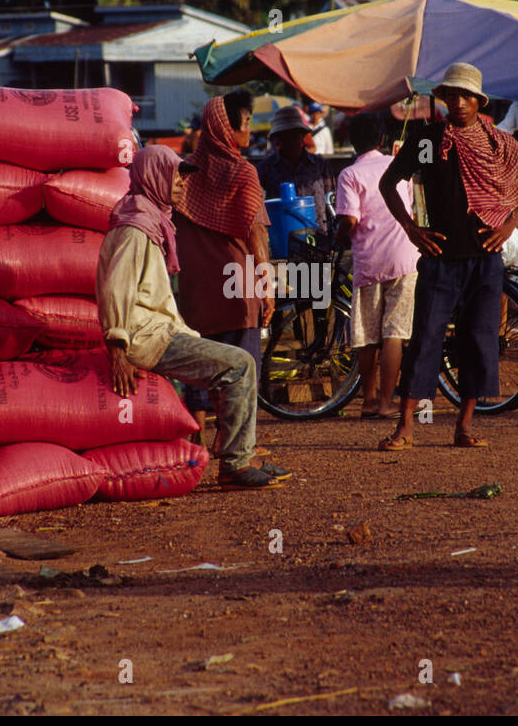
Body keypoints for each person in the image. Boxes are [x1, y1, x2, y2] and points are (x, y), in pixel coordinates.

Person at [97, 145, 288, 489]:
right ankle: (236, 463)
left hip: (161, 330)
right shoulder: (135, 228)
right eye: (176, 175)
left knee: (230, 366)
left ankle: (243, 454)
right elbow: (116, 288)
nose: (182, 183)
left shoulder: (151, 220)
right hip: (146, 337)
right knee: (240, 365)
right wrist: (117, 347)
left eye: (183, 175)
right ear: (154, 176)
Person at [377, 62, 518, 450]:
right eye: (452, 95)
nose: (459, 102)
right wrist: (411, 229)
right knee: (425, 339)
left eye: (467, 96)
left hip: (485, 260)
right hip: (441, 258)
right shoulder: (429, 140)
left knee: (480, 339)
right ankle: (405, 428)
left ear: (478, 101)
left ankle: (464, 426)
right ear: (444, 99)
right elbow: (388, 182)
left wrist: (509, 225)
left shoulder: (500, 144)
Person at [174, 90, 277, 464]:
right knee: (242, 361)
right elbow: (256, 234)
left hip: (197, 288)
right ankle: (231, 442)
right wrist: (266, 286)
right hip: (238, 283)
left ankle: (196, 438)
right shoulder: (243, 171)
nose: (249, 128)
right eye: (246, 121)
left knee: (200, 361)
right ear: (227, 128)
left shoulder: (185, 171)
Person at [335, 112, 420, 419]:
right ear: (382, 139)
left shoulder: (349, 174)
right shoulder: (397, 165)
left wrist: (337, 238)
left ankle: (369, 400)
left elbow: (349, 219)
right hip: (404, 255)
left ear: (350, 142)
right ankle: (387, 402)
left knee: (367, 333)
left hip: (370, 259)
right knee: (394, 331)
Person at [254, 105, 338, 234]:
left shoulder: (320, 165)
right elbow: (258, 209)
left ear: (302, 135)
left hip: (318, 239)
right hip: (282, 239)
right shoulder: (265, 169)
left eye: (295, 133)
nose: (291, 140)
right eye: (285, 135)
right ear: (278, 138)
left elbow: (331, 202)